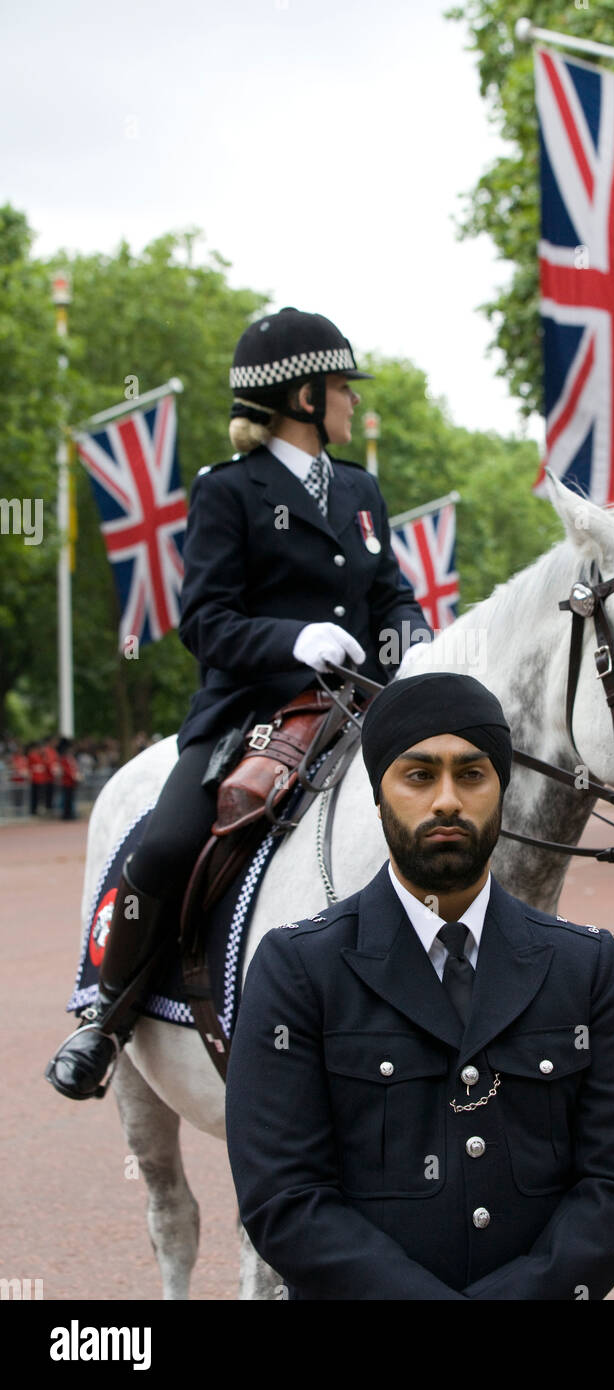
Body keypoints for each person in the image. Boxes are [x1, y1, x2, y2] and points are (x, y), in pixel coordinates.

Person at [46, 307, 431, 1102]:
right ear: (300, 397)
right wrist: (295, 640)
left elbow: (392, 593)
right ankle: (104, 1017)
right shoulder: (228, 492)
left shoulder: (360, 489)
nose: (351, 402)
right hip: (249, 713)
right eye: (339, 388)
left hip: (357, 708)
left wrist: (414, 637)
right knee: (162, 847)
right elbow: (206, 621)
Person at [225, 672, 614, 1300]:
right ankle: (110, 1006)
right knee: (165, 851)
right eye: (420, 775)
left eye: (473, 774)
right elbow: (283, 1199)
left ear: (503, 794)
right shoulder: (298, 968)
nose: (448, 800)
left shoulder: (584, 967)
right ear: (379, 797)